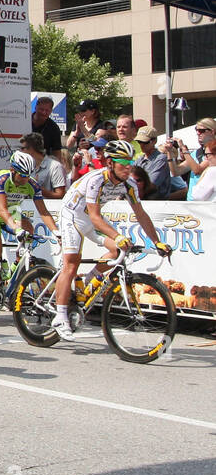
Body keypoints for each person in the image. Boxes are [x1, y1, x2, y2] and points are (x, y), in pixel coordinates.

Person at [51, 140, 170, 340]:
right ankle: (60, 315)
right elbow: (95, 217)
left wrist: (157, 241)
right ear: (109, 163)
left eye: (130, 161)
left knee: (117, 250)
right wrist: (117, 235)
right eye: (122, 161)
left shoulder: (129, 184)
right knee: (71, 264)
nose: (128, 166)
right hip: (72, 215)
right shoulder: (96, 180)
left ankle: (88, 282)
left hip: (90, 217)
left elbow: (140, 214)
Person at [0, 151, 58, 314]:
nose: (25, 180)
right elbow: (1, 209)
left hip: (13, 211)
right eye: (22, 175)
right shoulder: (1, 179)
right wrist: (15, 228)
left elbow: (44, 212)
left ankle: (15, 269)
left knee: (30, 230)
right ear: (12, 170)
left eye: (28, 175)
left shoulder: (32, 184)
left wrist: (57, 232)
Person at [19, 133, 66, 199]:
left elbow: (60, 195)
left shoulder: (55, 166)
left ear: (31, 149)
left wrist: (36, 187)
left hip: (48, 208)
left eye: (22, 148)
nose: (20, 151)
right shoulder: (24, 167)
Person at [133, 127, 174, 200]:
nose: (141, 145)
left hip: (157, 204)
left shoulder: (161, 159)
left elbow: (152, 185)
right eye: (139, 142)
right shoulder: (139, 160)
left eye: (145, 142)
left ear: (154, 141)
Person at [30, 95, 65, 165]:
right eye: (41, 109)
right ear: (36, 107)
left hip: (43, 164)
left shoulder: (54, 128)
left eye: (47, 110)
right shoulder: (25, 121)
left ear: (51, 111)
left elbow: (57, 152)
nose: (44, 113)